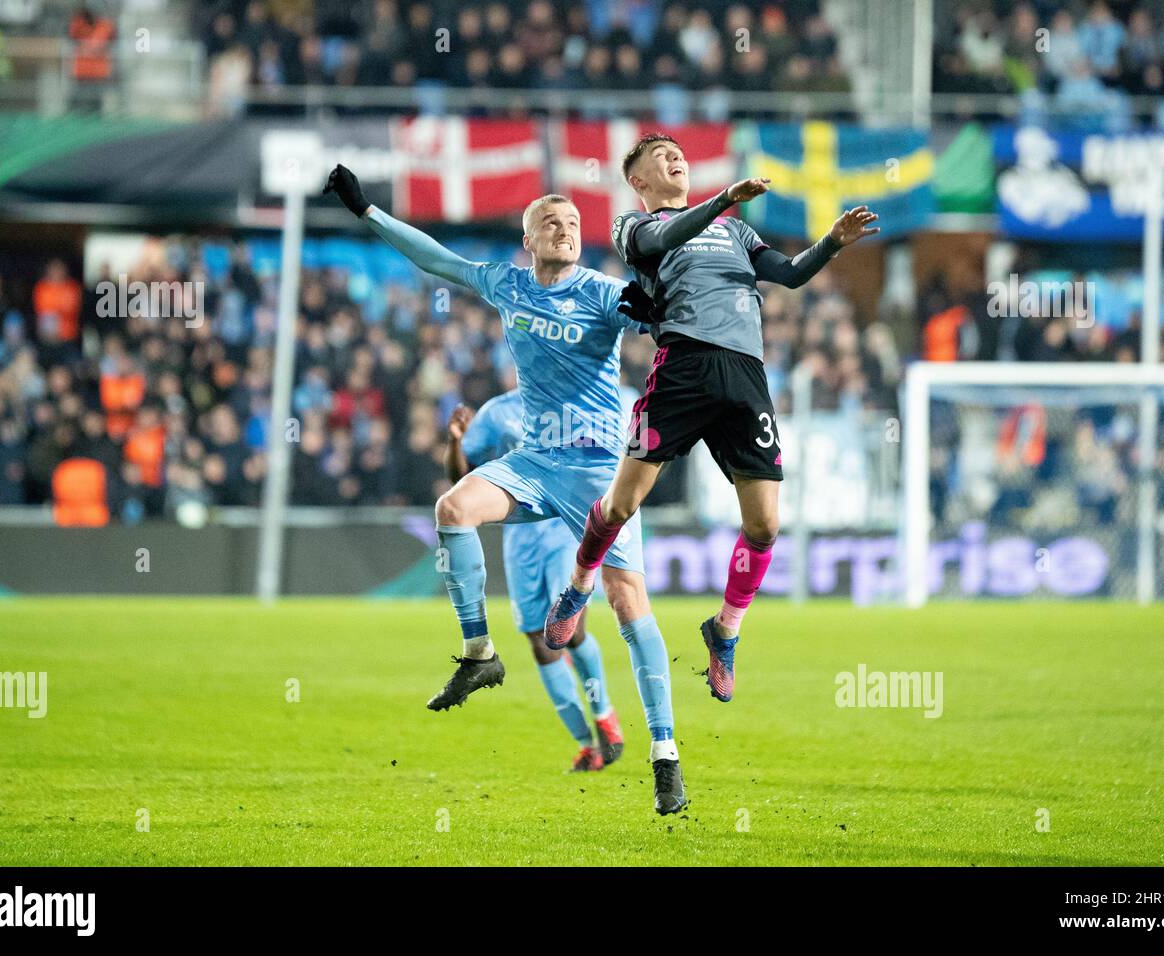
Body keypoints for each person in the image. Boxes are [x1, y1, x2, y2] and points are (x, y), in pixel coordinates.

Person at [324, 163, 690, 813]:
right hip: (535, 461)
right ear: (528, 239)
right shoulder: (508, 284)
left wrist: (656, 307)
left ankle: (664, 754)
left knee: (630, 603)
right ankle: (478, 654)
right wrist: (367, 213)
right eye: (550, 222)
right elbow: (435, 258)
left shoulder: (602, 293)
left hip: (598, 469)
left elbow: (650, 311)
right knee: (454, 506)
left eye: (574, 222)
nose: (565, 229)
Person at [544, 133, 880, 704]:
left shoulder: (736, 231)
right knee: (622, 505)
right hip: (683, 369)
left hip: (746, 378)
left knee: (765, 526)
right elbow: (673, 231)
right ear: (640, 182)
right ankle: (578, 588)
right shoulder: (635, 227)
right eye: (661, 157)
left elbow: (792, 273)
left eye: (678, 153)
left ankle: (724, 630)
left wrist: (831, 242)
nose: (675, 159)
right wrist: (723, 198)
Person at [445, 391, 623, 772]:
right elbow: (461, 481)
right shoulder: (497, 412)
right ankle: (586, 746)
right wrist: (456, 441)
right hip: (521, 540)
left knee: (570, 632)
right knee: (539, 644)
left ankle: (605, 717)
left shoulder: (576, 397)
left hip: (566, 529)